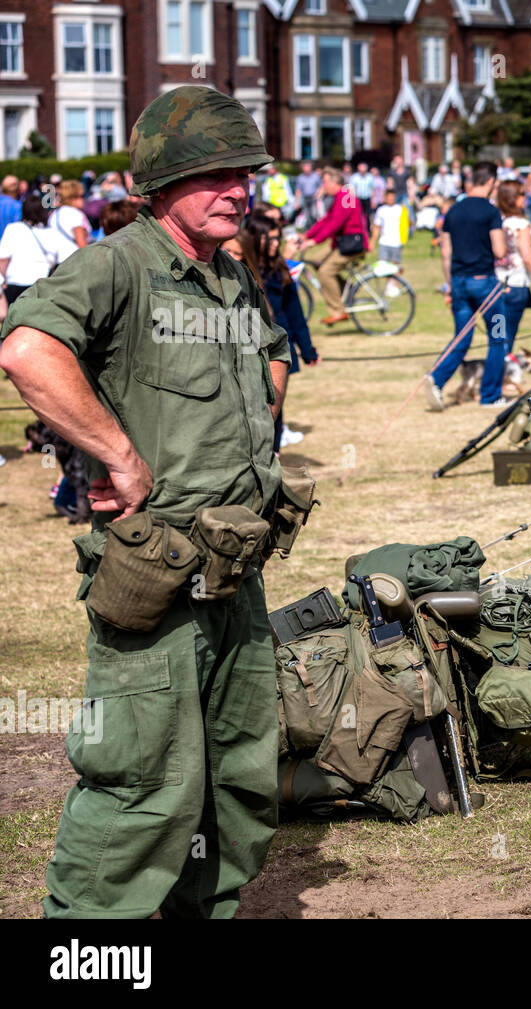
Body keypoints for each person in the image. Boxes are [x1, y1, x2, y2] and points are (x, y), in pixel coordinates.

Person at [0, 85, 293, 918]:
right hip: (155, 574)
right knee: (143, 784)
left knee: (237, 776)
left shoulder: (231, 275)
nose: (239, 188)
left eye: (246, 172)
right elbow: (26, 349)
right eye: (217, 174)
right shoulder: (118, 264)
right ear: (160, 187)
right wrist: (117, 454)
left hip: (236, 567)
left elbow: (272, 356)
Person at [422, 160, 506, 410]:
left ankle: (436, 379)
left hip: (458, 283)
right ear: (490, 182)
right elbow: (499, 250)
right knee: (498, 337)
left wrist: (450, 284)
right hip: (485, 284)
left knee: (462, 337)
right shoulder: (491, 212)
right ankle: (490, 395)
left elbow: (445, 252)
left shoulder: (453, 211)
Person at [244, 212, 318, 451]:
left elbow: (295, 314)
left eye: (278, 238)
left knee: (275, 403)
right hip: (249, 349)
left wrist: (308, 350)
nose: (277, 244)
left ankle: (273, 454)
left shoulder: (280, 270)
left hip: (277, 350)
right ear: (255, 239)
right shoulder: (242, 270)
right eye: (270, 239)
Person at [488, 179, 531, 403]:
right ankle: (499, 382)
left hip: (496, 285)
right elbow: (529, 258)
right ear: (513, 198)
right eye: (521, 195)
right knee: (505, 338)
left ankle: (497, 381)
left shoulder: (494, 221)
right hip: (515, 287)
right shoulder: (519, 224)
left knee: (498, 335)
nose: (525, 199)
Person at [298, 166, 369, 326]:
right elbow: (326, 220)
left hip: (352, 244)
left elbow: (335, 224)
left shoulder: (346, 198)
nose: (322, 186)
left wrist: (314, 241)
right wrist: (307, 235)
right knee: (315, 261)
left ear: (334, 181)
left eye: (324, 182)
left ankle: (338, 310)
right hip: (342, 243)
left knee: (325, 272)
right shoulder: (339, 197)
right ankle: (345, 289)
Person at [0, 191, 56, 310]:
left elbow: (3, 260)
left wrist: (2, 280)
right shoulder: (51, 232)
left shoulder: (13, 229)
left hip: (15, 284)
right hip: (42, 285)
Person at [48, 180, 91, 263]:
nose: (84, 199)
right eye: (81, 196)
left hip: (58, 262)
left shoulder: (54, 214)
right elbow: (82, 245)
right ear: (73, 198)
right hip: (75, 262)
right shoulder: (75, 214)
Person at [370, 186, 408, 267]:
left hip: (396, 242)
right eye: (389, 197)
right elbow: (377, 227)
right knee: (383, 266)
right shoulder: (381, 210)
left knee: (395, 267)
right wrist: (372, 242)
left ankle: (393, 280)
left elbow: (406, 224)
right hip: (384, 242)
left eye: (392, 197)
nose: (391, 199)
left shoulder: (401, 209)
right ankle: (388, 280)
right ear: (385, 198)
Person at [293, 160, 322, 227]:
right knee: (307, 214)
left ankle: (316, 227)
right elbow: (298, 190)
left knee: (314, 214)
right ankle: (310, 228)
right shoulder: (300, 177)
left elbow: (321, 186)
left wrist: (318, 194)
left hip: (314, 198)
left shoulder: (316, 176)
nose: (306, 168)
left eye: (308, 167)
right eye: (305, 167)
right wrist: (296, 201)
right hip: (305, 198)